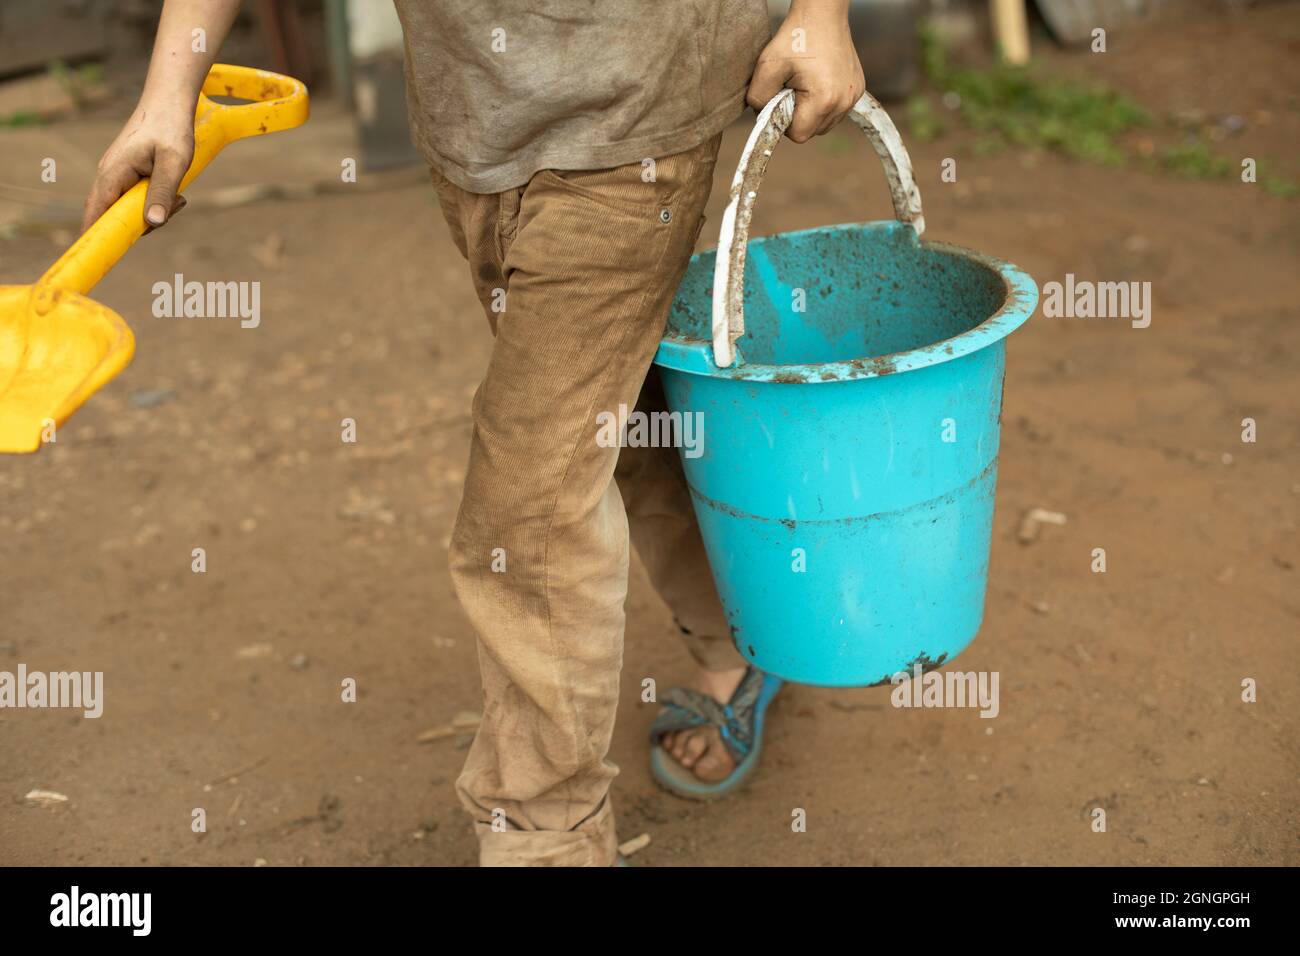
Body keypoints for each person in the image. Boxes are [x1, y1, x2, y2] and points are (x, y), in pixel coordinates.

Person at [84, 0, 866, 866]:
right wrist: (168, 91)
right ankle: (739, 640)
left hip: (636, 119)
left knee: (528, 498)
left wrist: (821, 14)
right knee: (618, 418)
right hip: (473, 120)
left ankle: (546, 833)